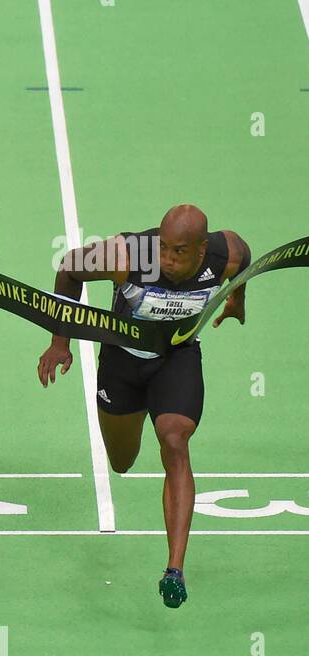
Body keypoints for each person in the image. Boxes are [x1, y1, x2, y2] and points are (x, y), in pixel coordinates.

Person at [37, 204, 251, 608]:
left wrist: (236, 297)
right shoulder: (126, 254)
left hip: (177, 358)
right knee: (122, 461)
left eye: (179, 252)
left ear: (202, 249)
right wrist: (59, 341)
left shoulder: (227, 254)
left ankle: (174, 569)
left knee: (174, 440)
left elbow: (247, 259)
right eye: (164, 249)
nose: (168, 259)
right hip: (122, 364)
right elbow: (69, 268)